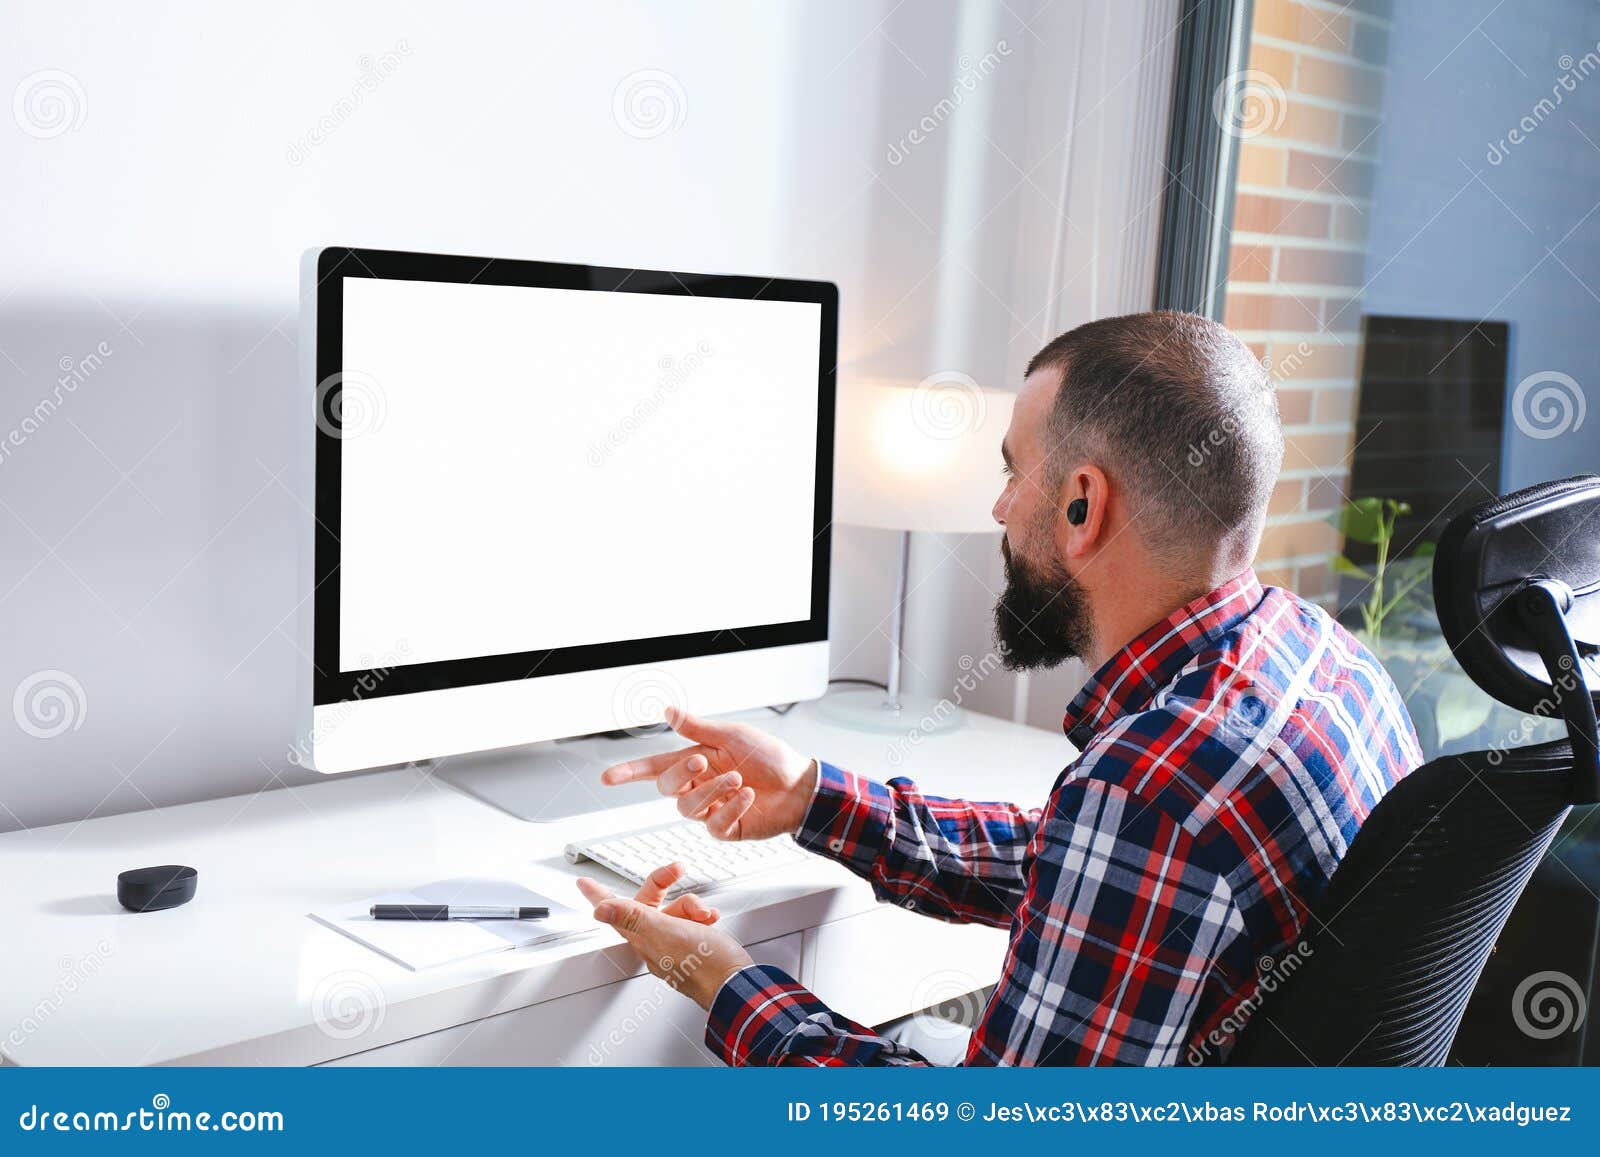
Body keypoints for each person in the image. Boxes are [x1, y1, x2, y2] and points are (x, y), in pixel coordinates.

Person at [574, 310, 1424, 1066]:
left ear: (1084, 504)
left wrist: (724, 980)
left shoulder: (1150, 790)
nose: (999, 508)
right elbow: (1093, 869)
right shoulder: (1326, 659)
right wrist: (811, 795)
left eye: (1014, 473)